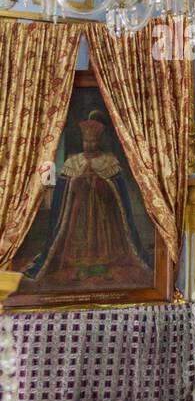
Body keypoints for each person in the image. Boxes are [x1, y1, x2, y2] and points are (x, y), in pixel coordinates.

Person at [25, 111, 151, 288]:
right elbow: (63, 191)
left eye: (92, 141)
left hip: (103, 212)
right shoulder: (72, 162)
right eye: (86, 141)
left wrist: (100, 183)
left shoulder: (109, 161)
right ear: (82, 141)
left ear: (98, 141)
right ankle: (80, 266)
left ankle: (101, 265)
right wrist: (78, 182)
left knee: (102, 238)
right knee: (79, 237)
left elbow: (119, 193)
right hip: (78, 212)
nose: (89, 144)